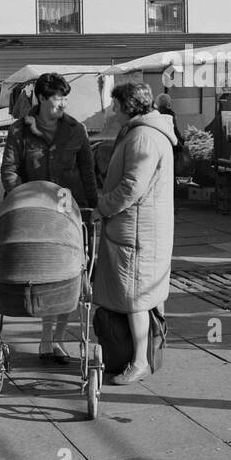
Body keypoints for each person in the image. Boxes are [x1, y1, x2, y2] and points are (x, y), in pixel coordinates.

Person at [1, 72, 99, 364]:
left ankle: (55, 340)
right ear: (42, 98)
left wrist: (94, 209)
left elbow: (87, 172)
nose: (63, 104)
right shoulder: (19, 131)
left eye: (66, 98)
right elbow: (9, 171)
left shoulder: (76, 130)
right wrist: (23, 203)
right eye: (58, 98)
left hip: (70, 215)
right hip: (36, 216)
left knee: (72, 276)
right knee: (43, 276)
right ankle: (47, 340)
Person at [93, 81, 176, 385]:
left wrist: (103, 207)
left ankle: (140, 361)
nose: (112, 109)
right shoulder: (145, 131)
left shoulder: (143, 136)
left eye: (115, 104)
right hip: (141, 227)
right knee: (144, 294)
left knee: (135, 297)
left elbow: (132, 187)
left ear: (128, 105)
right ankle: (151, 354)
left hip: (138, 230)